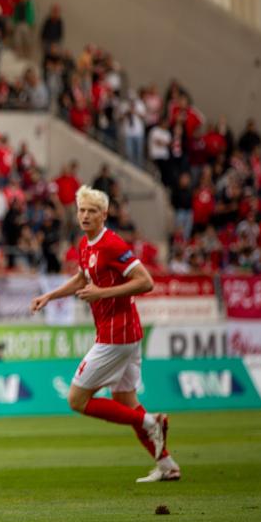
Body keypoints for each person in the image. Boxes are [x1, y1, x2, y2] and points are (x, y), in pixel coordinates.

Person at [31, 187, 179, 483]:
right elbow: (82, 278)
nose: (85, 216)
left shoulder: (112, 244)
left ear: (104, 215)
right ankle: (167, 465)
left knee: (77, 399)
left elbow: (145, 281)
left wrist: (103, 293)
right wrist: (50, 296)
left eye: (92, 211)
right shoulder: (85, 244)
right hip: (123, 335)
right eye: (82, 210)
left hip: (117, 336)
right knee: (126, 401)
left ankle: (150, 422)